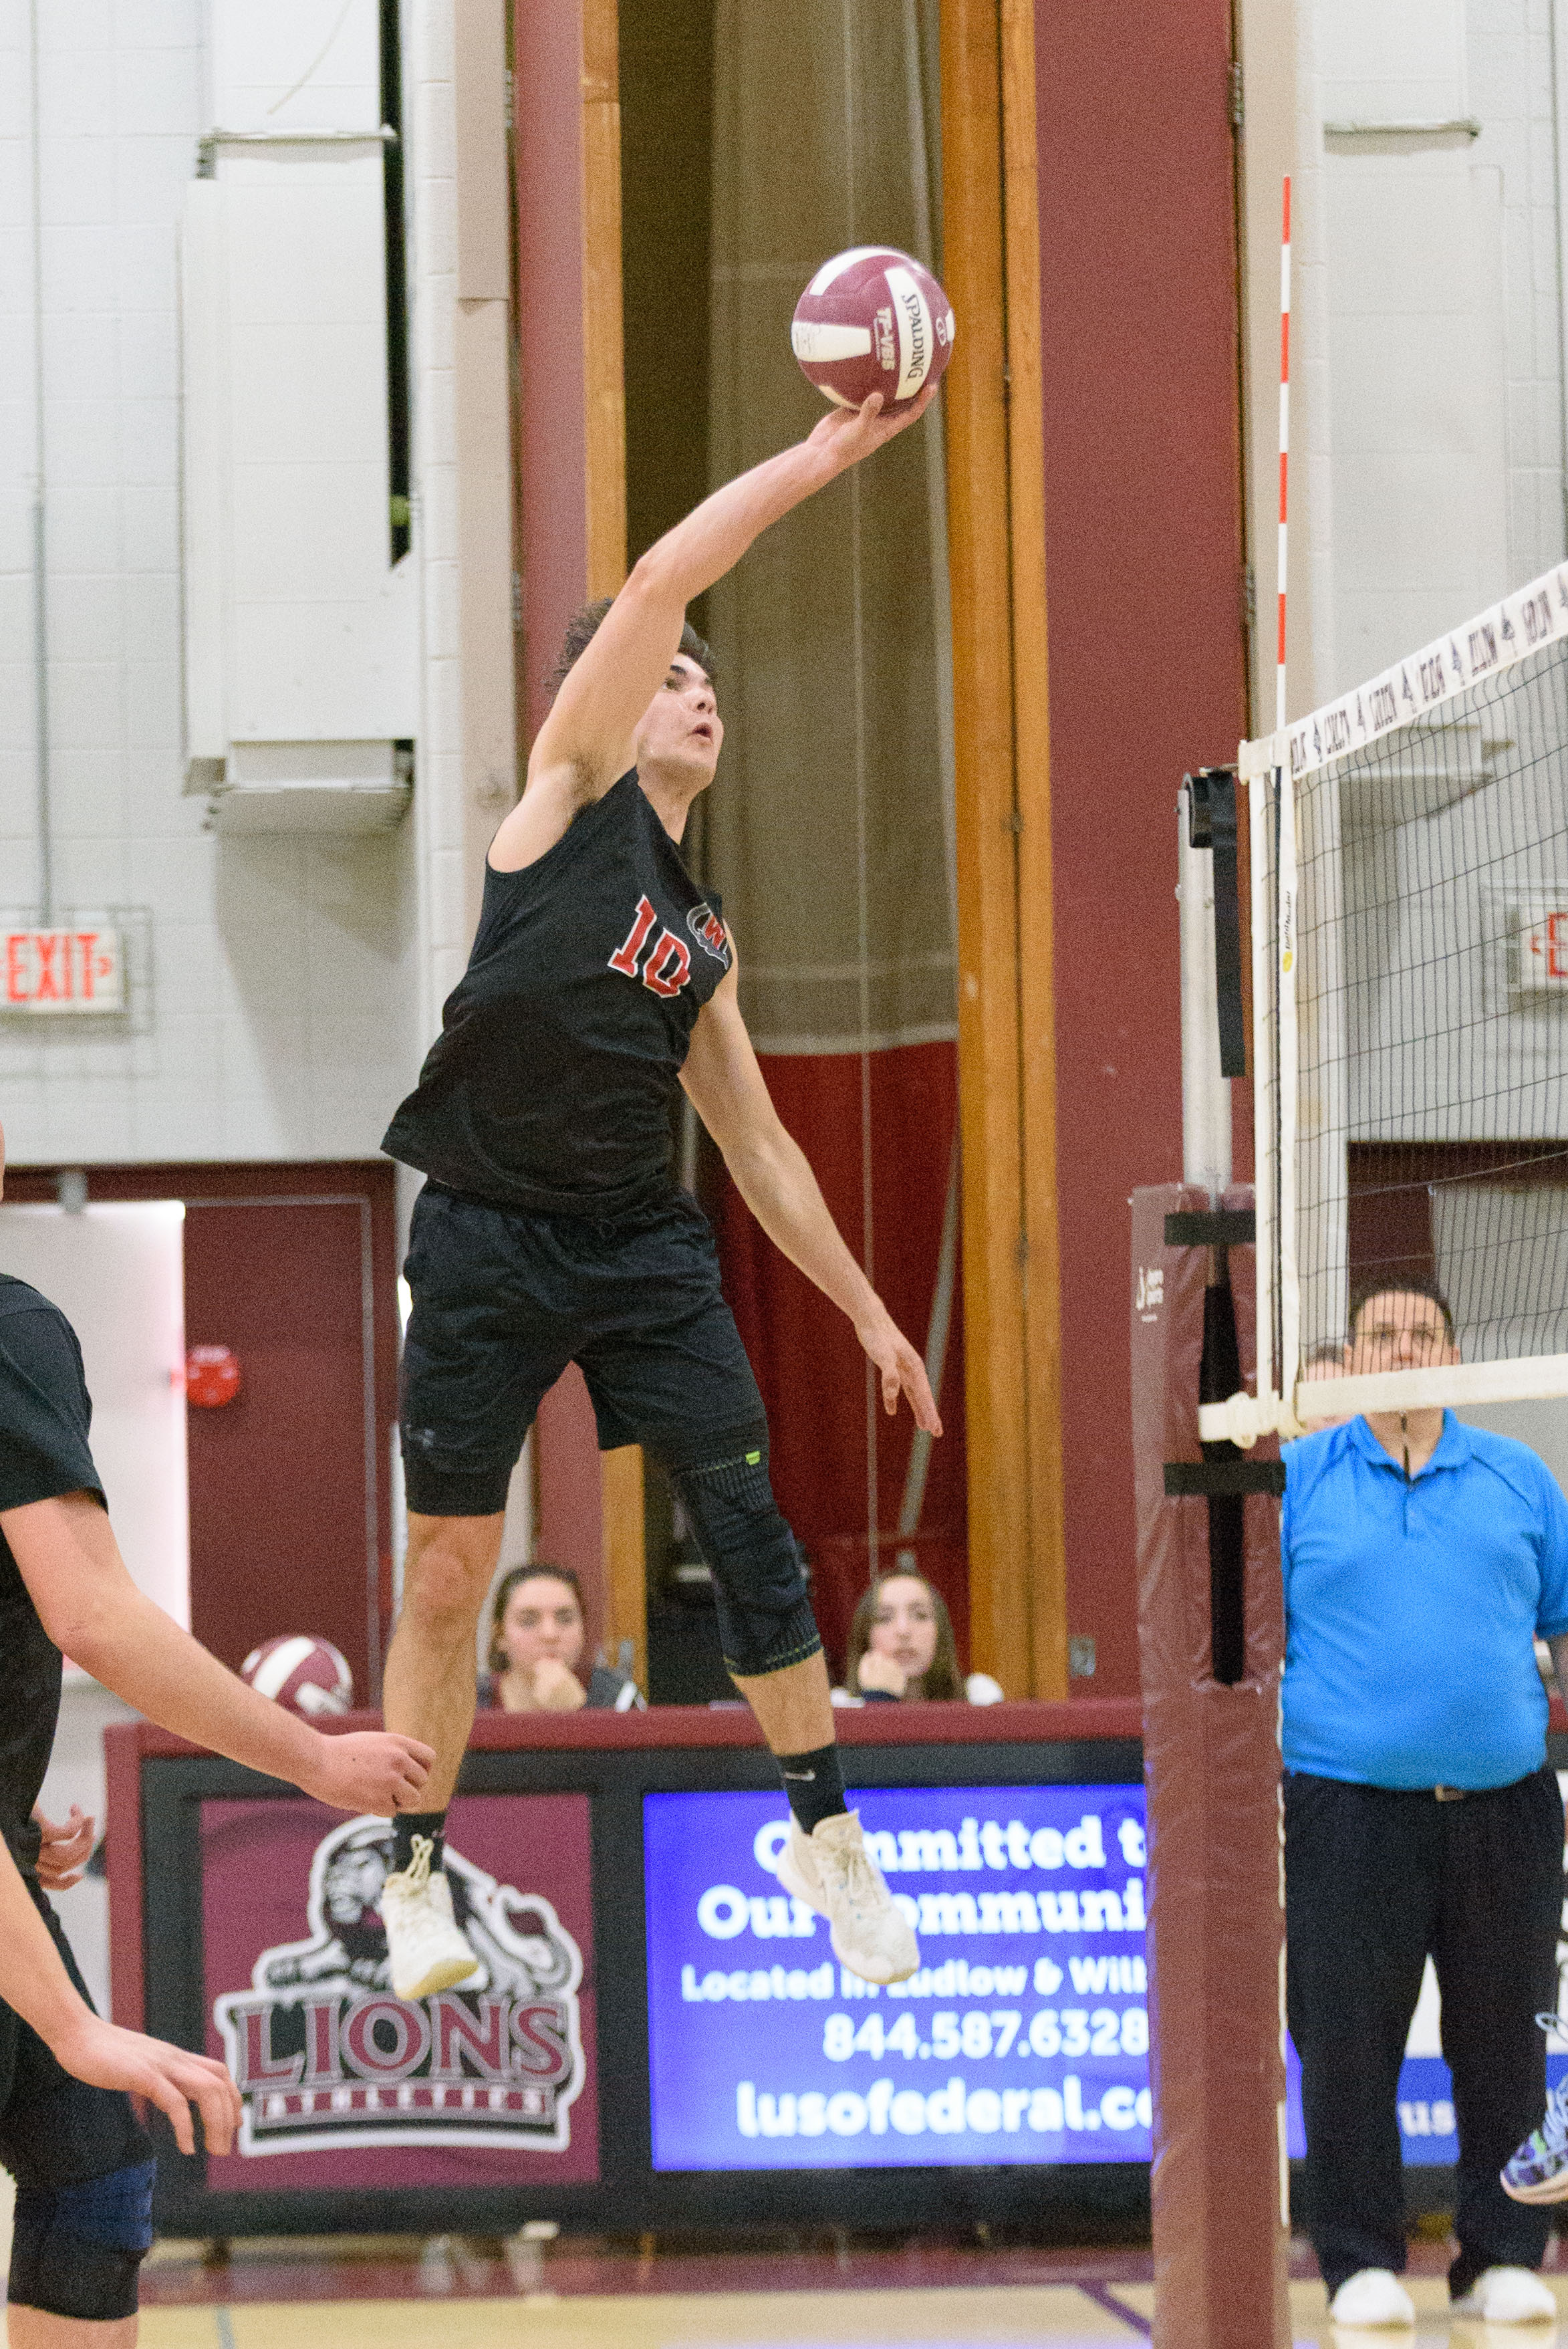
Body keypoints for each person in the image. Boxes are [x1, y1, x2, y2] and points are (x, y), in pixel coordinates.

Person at [377, 386, 942, 2003]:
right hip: (485, 1227)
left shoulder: (704, 935)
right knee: (444, 1573)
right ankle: (417, 1879)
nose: (693, 692)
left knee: (755, 1539)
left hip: (637, 1247)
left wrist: (864, 1309)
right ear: (611, 709)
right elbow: (656, 585)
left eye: (708, 686)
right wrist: (826, 455)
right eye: (669, 679)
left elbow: (759, 1150)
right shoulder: (563, 804)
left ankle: (826, 1842)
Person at [0, 1122, 432, 2344]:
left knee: (90, 2172)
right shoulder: (9, 1326)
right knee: (88, 2141)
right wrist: (315, 1756)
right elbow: (92, 1613)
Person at [1283, 1276, 1568, 2329]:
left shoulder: (1519, 1475)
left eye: (1424, 1332)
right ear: (1350, 1360)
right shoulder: (1296, 1480)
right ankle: (1358, 2260)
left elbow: (1560, 1617)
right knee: (1348, 2039)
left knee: (1504, 2038)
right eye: (1381, 1334)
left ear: (1456, 1350)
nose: (1404, 1348)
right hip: (1346, 1808)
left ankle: (1500, 2252)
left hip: (1506, 1804)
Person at [478, 1564, 644, 1713]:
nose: (550, 1634)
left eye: (565, 1619)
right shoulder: (469, 1703)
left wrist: (578, 1713)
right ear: (500, 1635)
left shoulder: (618, 1699)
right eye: (528, 1621)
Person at [840, 1570, 1002, 1705]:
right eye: (884, 1618)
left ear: (940, 1632)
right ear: (865, 1635)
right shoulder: (840, 1706)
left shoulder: (978, 1695)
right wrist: (879, 1698)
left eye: (920, 1616)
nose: (903, 1631)